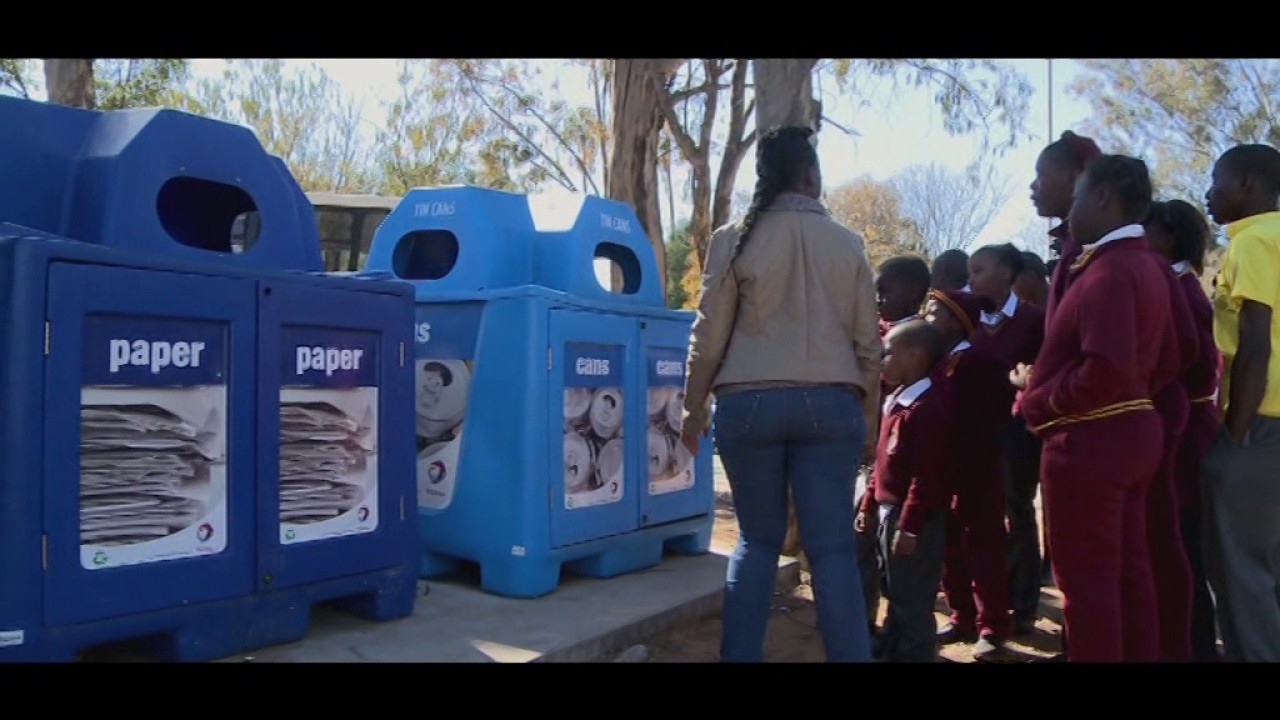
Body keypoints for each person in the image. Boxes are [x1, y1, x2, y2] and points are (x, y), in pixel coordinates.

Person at [681, 125, 882, 663]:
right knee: (833, 550)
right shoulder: (848, 245)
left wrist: (691, 407)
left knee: (757, 542)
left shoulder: (734, 239)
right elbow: (869, 343)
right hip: (832, 404)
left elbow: (708, 335)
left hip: (748, 405)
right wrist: (872, 419)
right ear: (812, 176)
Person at [1020, 154, 1178, 662]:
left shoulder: (1110, 270)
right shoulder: (1148, 264)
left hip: (1090, 441)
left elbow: (1104, 371)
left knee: (1088, 589)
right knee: (1130, 576)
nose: (1071, 210)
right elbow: (1174, 357)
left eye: (1080, 195)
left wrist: (1038, 400)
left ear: (1104, 197)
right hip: (1131, 433)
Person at [1201, 143, 1280, 663]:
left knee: (1242, 576)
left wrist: (1235, 434)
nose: (1209, 194)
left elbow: (1255, 341)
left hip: (1261, 427)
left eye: (1218, 180)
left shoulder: (1254, 243)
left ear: (1248, 184)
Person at [1144, 198, 1222, 661]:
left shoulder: (1180, 289)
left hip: (1184, 435)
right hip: (1179, 428)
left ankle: (1192, 647)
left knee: (1183, 547)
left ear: (1168, 237)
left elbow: (1186, 363)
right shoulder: (1173, 284)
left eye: (1146, 229)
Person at [857, 320, 957, 662]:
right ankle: (890, 647)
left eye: (888, 353)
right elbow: (883, 464)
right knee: (895, 588)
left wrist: (910, 526)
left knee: (912, 598)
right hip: (889, 513)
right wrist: (868, 503)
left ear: (914, 356)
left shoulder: (927, 407)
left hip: (914, 520)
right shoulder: (897, 399)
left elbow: (926, 476)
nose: (882, 359)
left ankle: (915, 653)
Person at [922, 289, 1012, 659]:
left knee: (983, 546)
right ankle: (962, 615)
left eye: (934, 313)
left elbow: (992, 416)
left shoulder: (982, 361)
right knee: (949, 545)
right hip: (942, 469)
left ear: (957, 320)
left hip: (977, 468)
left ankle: (993, 626)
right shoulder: (930, 360)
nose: (926, 319)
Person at [967, 243, 1046, 636]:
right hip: (974, 431)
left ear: (1005, 274)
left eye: (979, 270)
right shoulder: (967, 318)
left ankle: (1024, 603)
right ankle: (985, 607)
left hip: (1017, 434)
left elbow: (1042, 372)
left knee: (1017, 513)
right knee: (980, 518)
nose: (972, 278)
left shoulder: (1034, 321)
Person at [858, 255, 932, 638]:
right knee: (867, 549)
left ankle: (900, 642)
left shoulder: (916, 350)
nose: (877, 298)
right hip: (876, 475)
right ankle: (867, 628)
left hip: (902, 493)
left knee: (903, 582)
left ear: (913, 293)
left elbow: (927, 466)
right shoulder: (883, 337)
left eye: (884, 289)